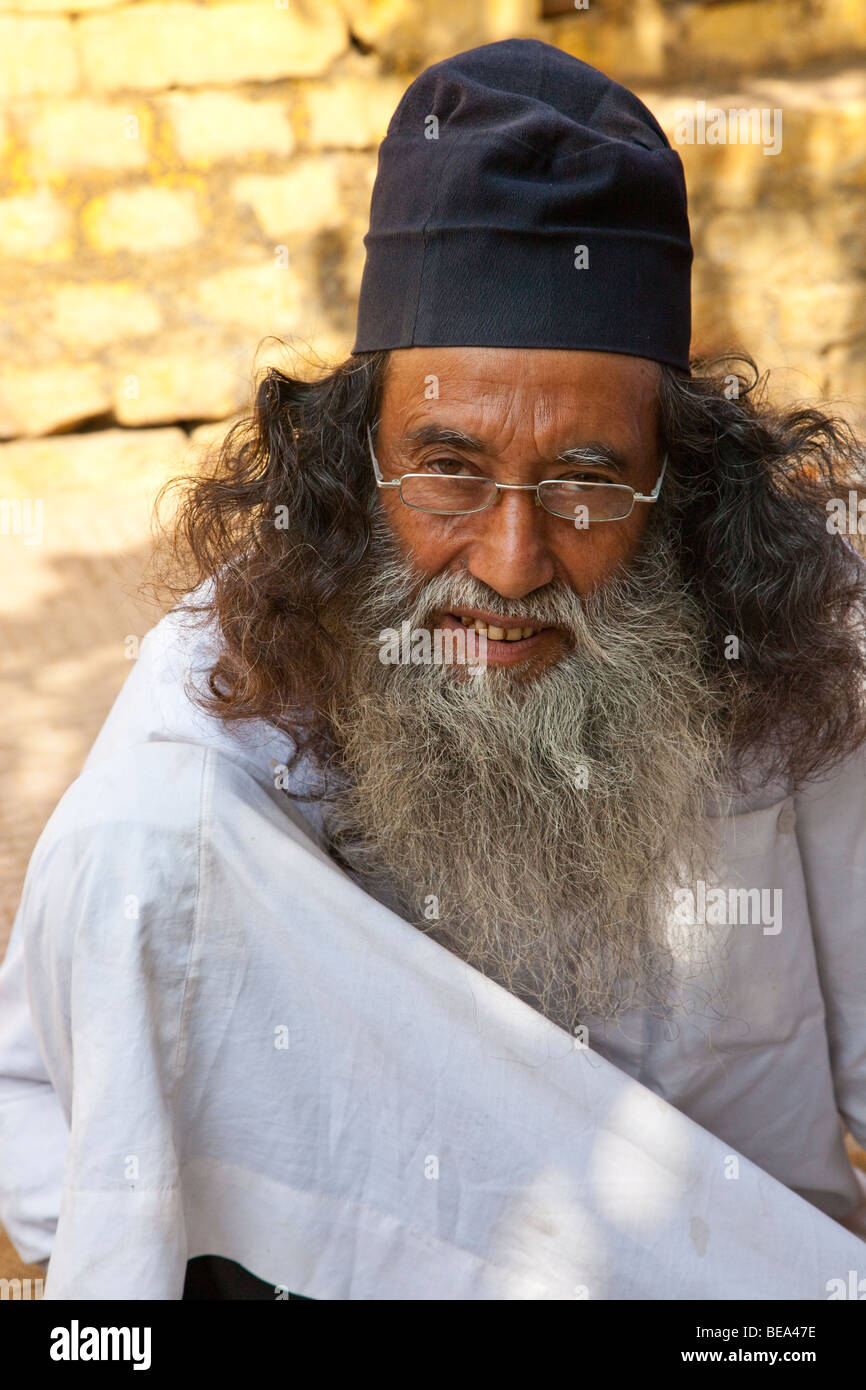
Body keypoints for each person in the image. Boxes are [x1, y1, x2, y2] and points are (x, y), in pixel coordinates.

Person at [1, 37, 865, 1301]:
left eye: (584, 480)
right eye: (447, 469)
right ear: (350, 465)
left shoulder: (793, 653)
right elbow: (66, 1149)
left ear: (680, 488)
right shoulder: (186, 800)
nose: (510, 564)